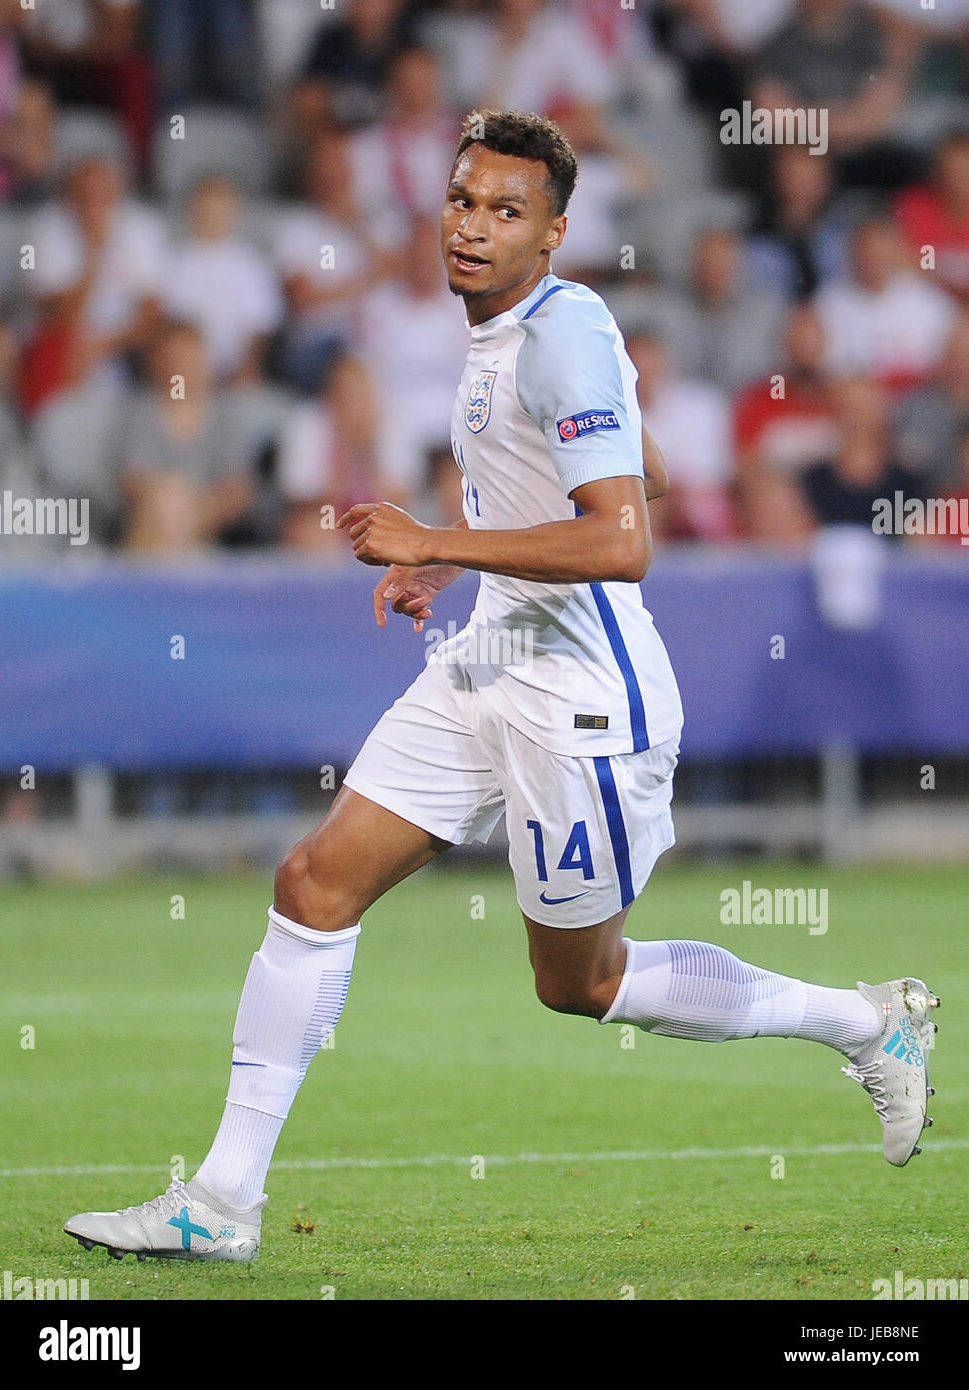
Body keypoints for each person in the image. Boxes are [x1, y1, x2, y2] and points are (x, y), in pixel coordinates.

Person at [65, 110, 938, 1264]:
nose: (473, 227)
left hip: (582, 701)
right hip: (486, 663)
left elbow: (622, 538)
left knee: (578, 984)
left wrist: (438, 539)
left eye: (505, 211)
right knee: (312, 884)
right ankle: (222, 1201)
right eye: (463, 201)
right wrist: (461, 554)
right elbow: (642, 464)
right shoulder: (517, 329)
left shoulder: (557, 333)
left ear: (553, 233)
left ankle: (867, 1023)